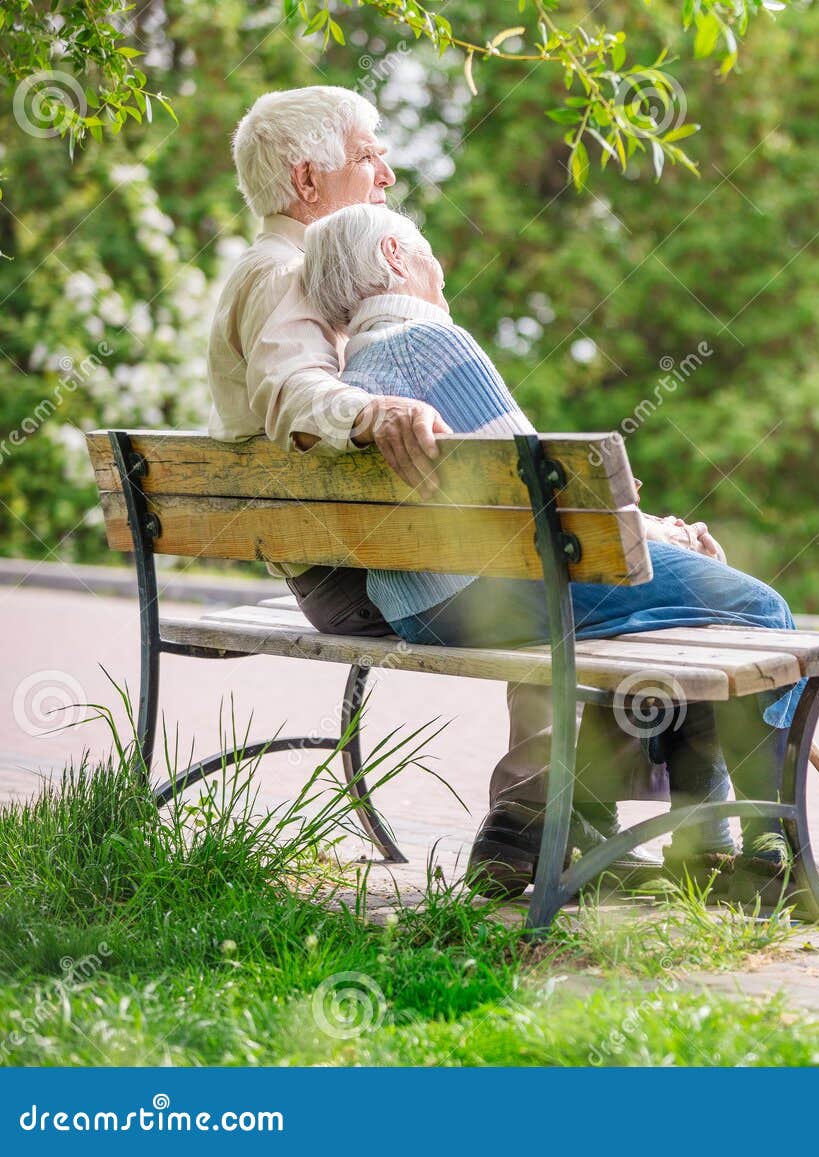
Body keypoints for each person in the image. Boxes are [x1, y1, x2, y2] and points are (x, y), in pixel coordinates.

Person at [300, 202, 819, 923]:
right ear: (395, 257)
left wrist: (648, 534)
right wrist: (666, 535)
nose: (440, 270)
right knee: (760, 611)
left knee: (668, 626)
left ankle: (700, 847)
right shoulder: (431, 343)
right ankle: (774, 860)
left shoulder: (353, 377)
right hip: (494, 590)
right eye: (429, 255)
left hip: (418, 608)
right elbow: (548, 501)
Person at [206, 86, 661, 897]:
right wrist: (371, 410)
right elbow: (291, 389)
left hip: (356, 555)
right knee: (567, 571)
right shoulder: (285, 273)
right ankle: (541, 823)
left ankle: (555, 823)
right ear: (307, 181)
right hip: (359, 576)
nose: (386, 174)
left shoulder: (293, 270)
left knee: (550, 560)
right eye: (368, 155)